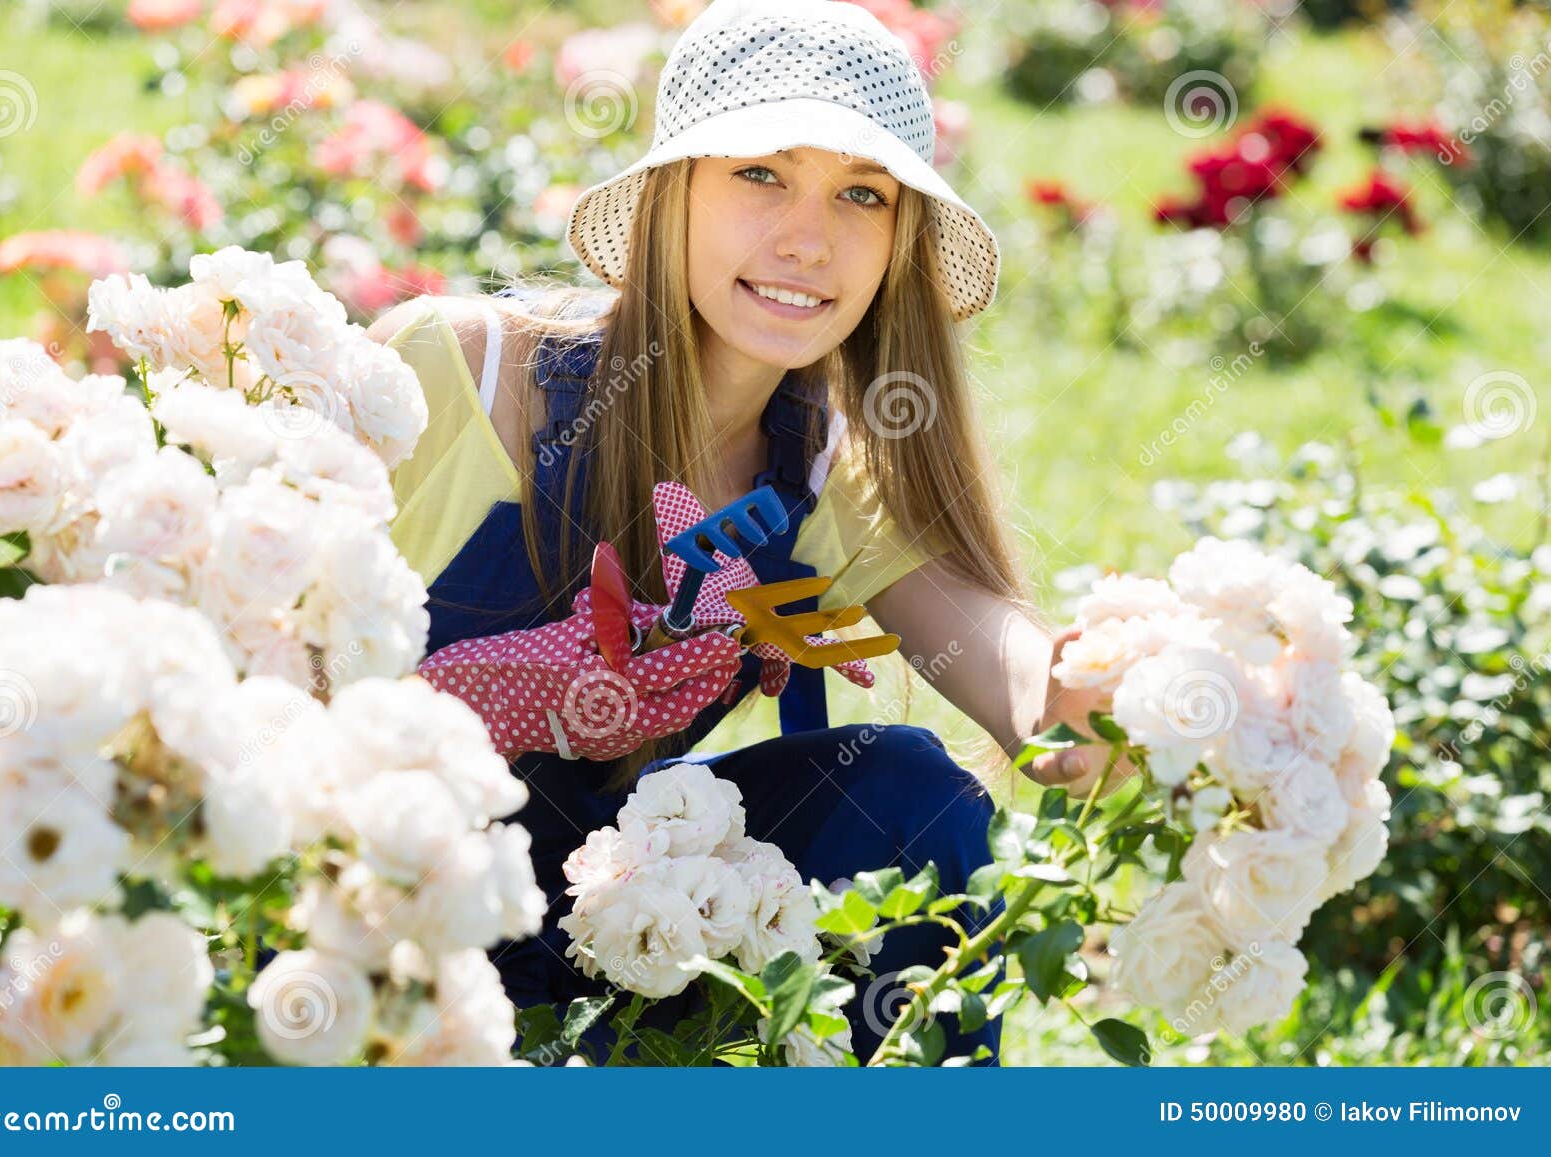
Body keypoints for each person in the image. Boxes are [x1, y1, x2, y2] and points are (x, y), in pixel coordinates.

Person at [369, 0, 1120, 1065]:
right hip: (364, 937)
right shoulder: (461, 373)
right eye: (761, 172)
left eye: (861, 194)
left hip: (609, 960)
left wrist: (1108, 689)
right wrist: (453, 702)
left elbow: (1006, 668)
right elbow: (238, 671)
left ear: (898, 240)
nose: (808, 239)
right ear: (674, 191)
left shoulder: (819, 471)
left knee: (912, 790)